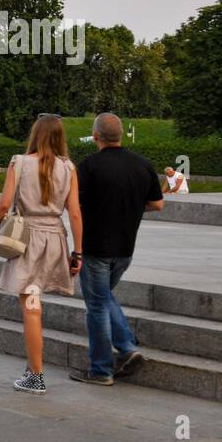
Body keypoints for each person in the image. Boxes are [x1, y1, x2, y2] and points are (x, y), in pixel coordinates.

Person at [0, 115, 83, 395]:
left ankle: (36, 376)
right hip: (55, 239)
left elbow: (4, 204)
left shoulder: (20, 162)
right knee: (35, 302)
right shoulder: (68, 167)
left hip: (28, 239)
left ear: (35, 135)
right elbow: (74, 212)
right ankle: (32, 367)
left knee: (32, 307)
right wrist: (78, 252)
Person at [74, 112, 165, 386]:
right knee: (104, 297)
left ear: (96, 136)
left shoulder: (89, 166)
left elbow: (75, 207)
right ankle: (126, 346)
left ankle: (104, 368)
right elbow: (157, 204)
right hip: (125, 247)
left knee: (98, 304)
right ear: (122, 135)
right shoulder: (142, 164)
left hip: (95, 247)